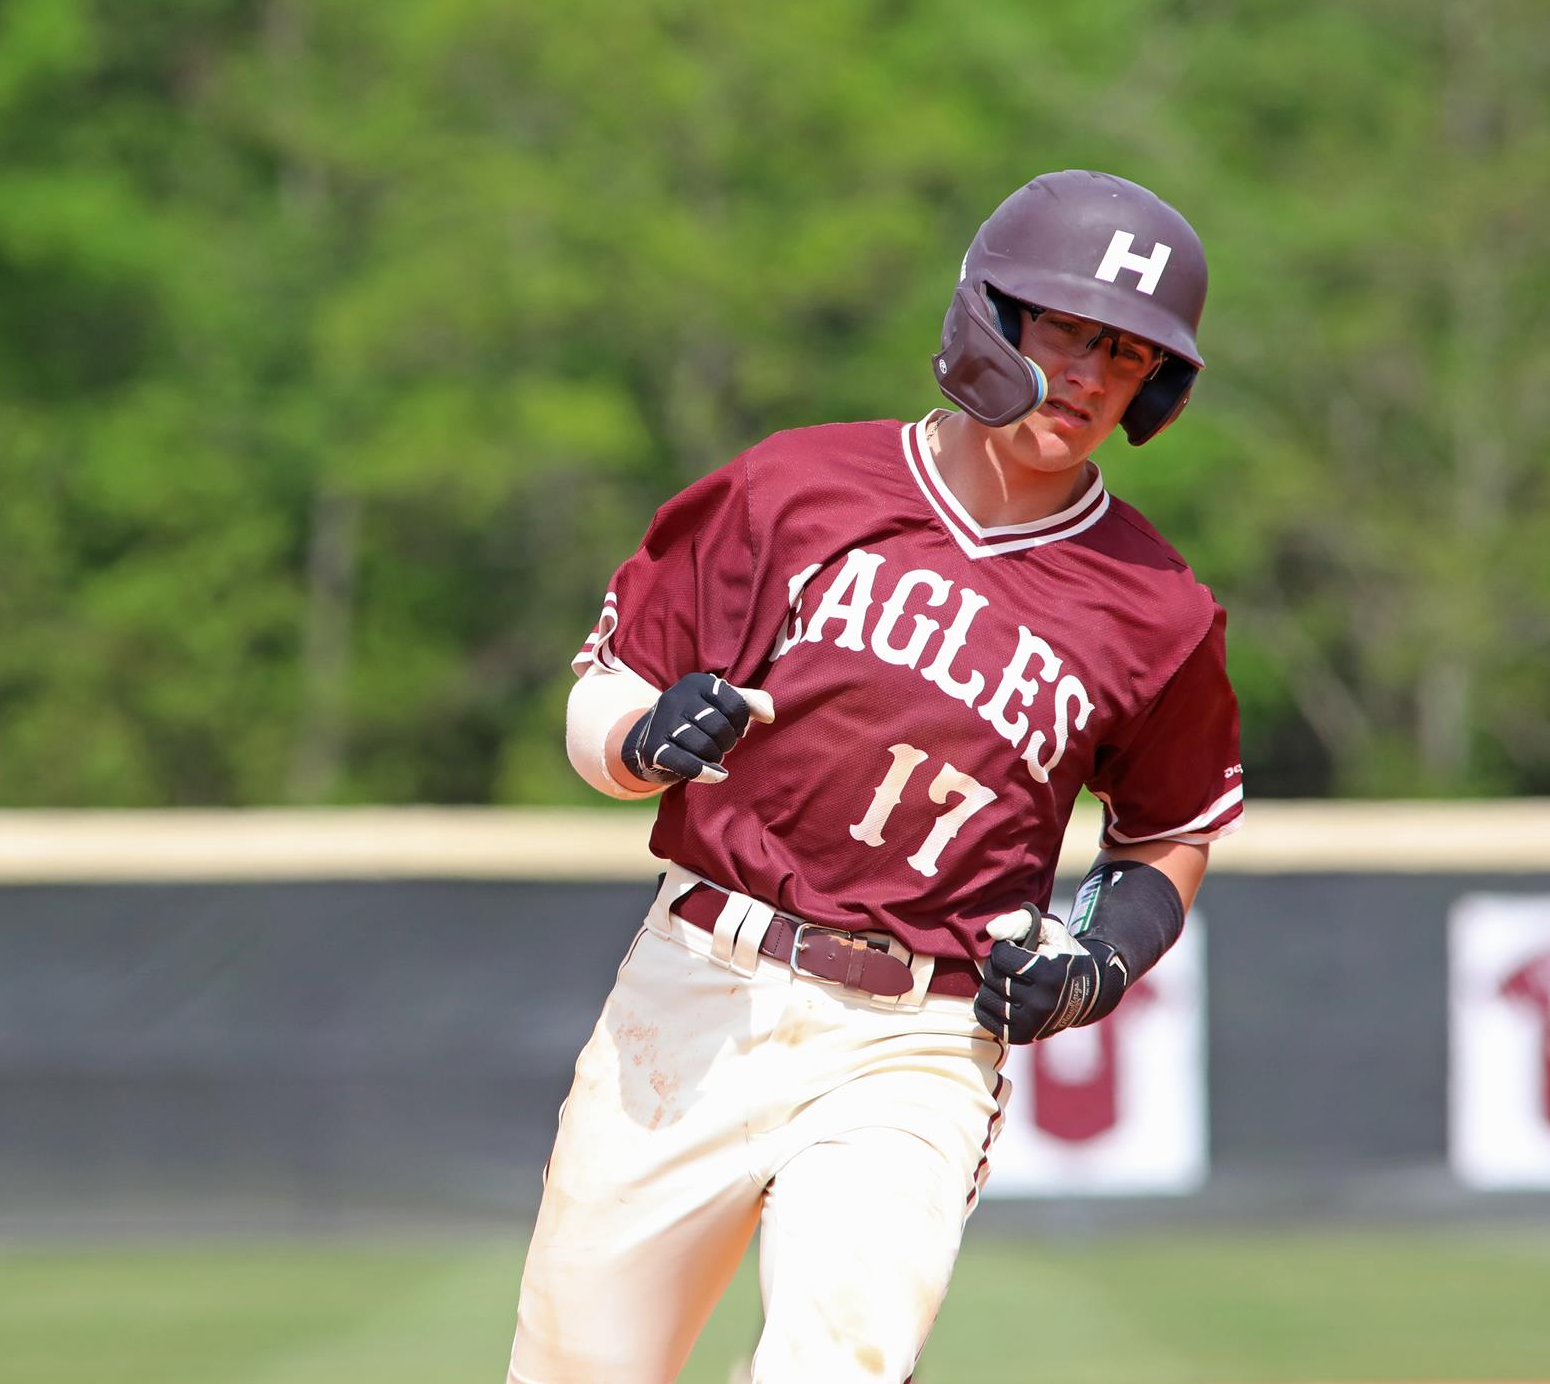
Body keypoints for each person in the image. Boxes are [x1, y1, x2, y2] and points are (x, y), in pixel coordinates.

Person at [508, 169, 1243, 1383]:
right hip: (697, 987)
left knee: (837, 1366)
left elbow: (1170, 828)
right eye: (1066, 329)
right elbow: (607, 689)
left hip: (917, 1036)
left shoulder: (1156, 608)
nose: (1088, 375)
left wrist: (1098, 961)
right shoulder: (796, 487)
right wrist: (641, 740)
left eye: (1125, 353)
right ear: (990, 317)